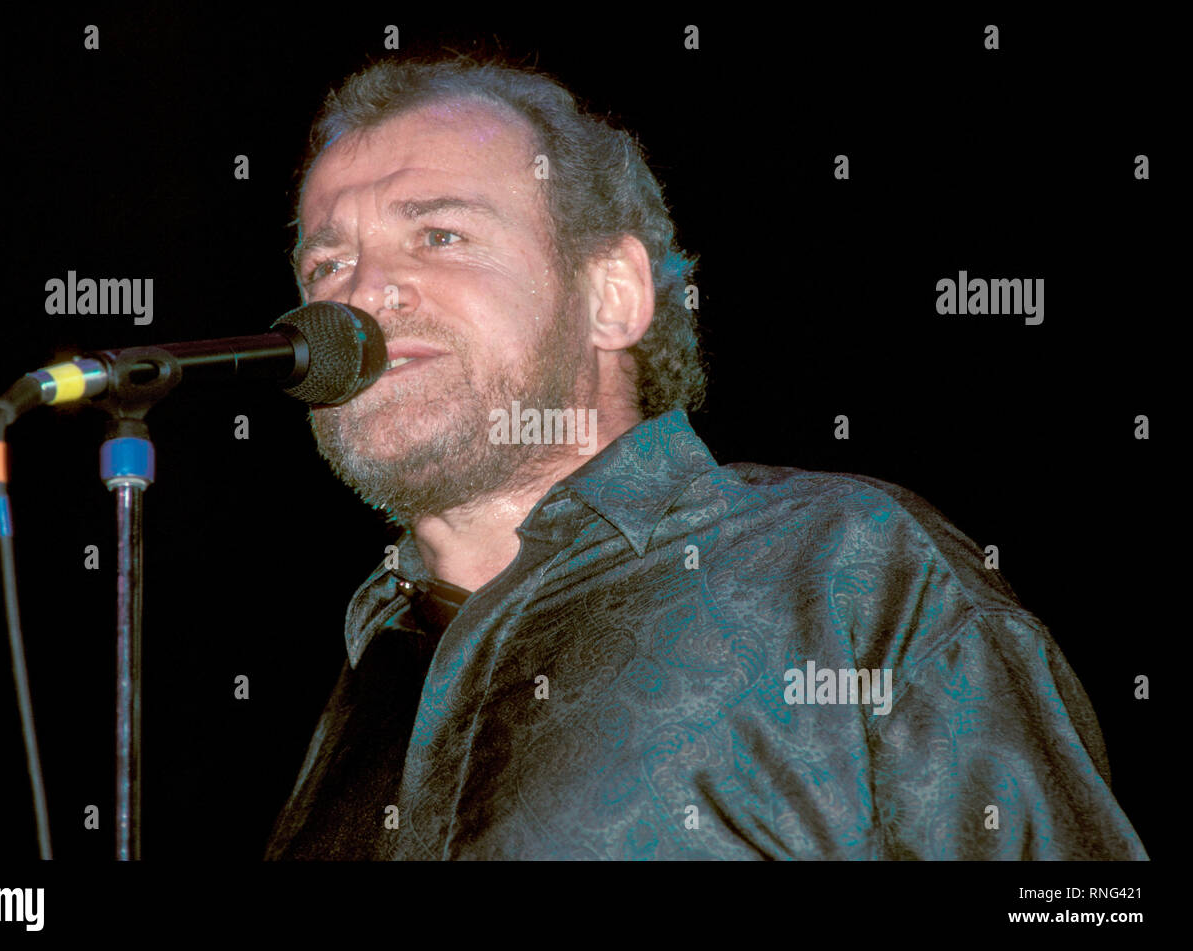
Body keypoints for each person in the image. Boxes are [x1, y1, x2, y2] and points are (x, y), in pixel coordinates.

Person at [264, 56, 1146, 860]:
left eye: (439, 236)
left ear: (612, 296)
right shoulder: (371, 671)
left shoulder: (847, 570)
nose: (360, 294)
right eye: (327, 262)